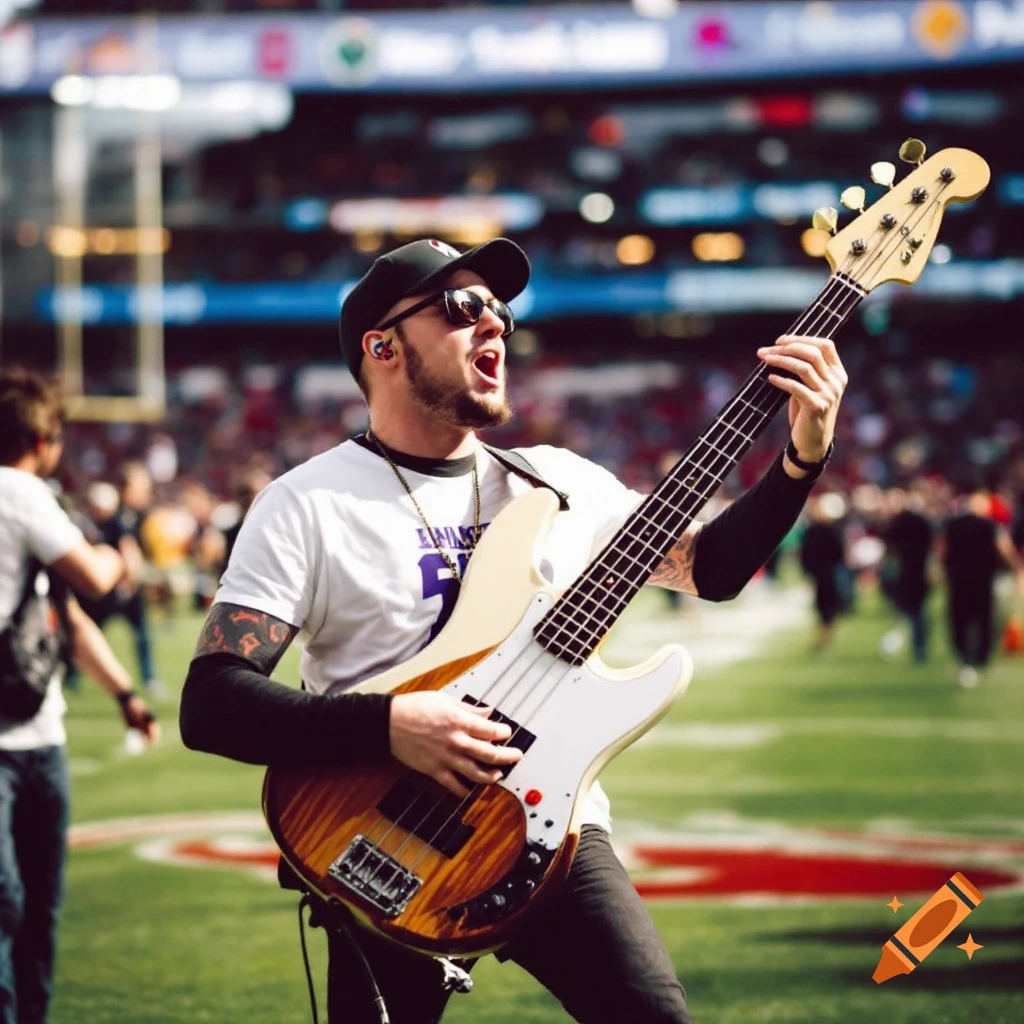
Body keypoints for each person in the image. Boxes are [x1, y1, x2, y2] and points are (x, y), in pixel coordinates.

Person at [180, 238, 846, 1024]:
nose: (494, 326)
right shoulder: (307, 504)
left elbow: (713, 569)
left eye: (499, 311)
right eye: (463, 310)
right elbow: (213, 703)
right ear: (382, 346)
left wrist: (801, 460)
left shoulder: (557, 482)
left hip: (550, 829)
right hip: (377, 832)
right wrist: (392, 724)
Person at [0, 367, 159, 1024]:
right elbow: (96, 581)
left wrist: (124, 692)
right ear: (46, 438)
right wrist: (123, 543)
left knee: (28, 905)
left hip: (38, 734)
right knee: (23, 905)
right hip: (20, 741)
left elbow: (63, 617)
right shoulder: (20, 490)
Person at [939, 483, 1024, 688]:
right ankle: (980, 657)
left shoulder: (954, 525)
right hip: (982, 580)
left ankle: (964, 657)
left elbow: (943, 550)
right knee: (984, 619)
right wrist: (1017, 569)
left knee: (960, 620)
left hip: (959, 580)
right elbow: (1004, 549)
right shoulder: (989, 525)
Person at [879, 487, 934, 663]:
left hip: (906, 572)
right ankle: (920, 645)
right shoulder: (921, 521)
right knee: (918, 610)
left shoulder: (897, 523)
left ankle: (917, 642)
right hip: (919, 570)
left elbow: (889, 548)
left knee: (911, 610)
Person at [798, 492, 850, 651]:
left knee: (827, 607)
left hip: (826, 573)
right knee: (828, 607)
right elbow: (840, 553)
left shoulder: (818, 530)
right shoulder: (824, 530)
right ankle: (824, 636)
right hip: (827, 573)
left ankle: (824, 636)